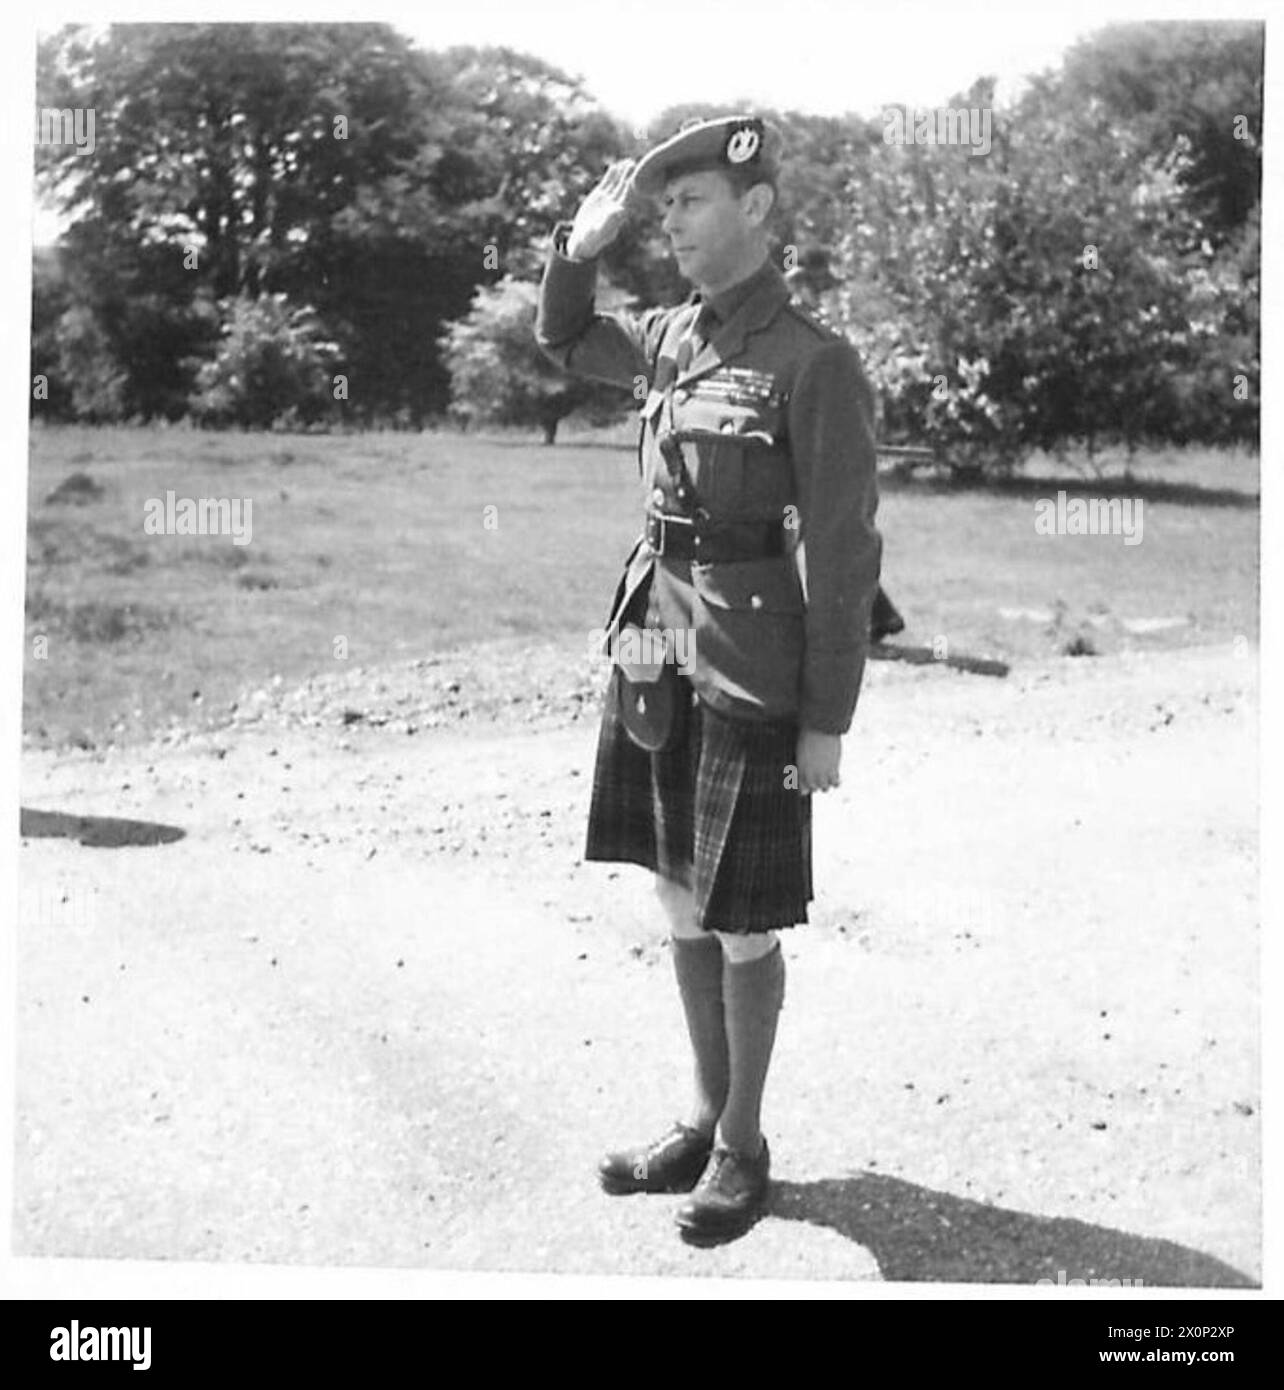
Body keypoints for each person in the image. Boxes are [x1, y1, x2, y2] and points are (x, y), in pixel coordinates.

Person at [535, 115, 882, 1240]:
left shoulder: (813, 361)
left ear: (759, 210)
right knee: (675, 893)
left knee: (741, 921)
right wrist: (575, 246)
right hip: (653, 642)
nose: (670, 223)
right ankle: (699, 1110)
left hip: (749, 660)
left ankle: (742, 1145)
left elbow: (842, 549)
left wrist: (826, 717)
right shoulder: (667, 335)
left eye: (689, 203)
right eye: (664, 205)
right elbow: (563, 333)